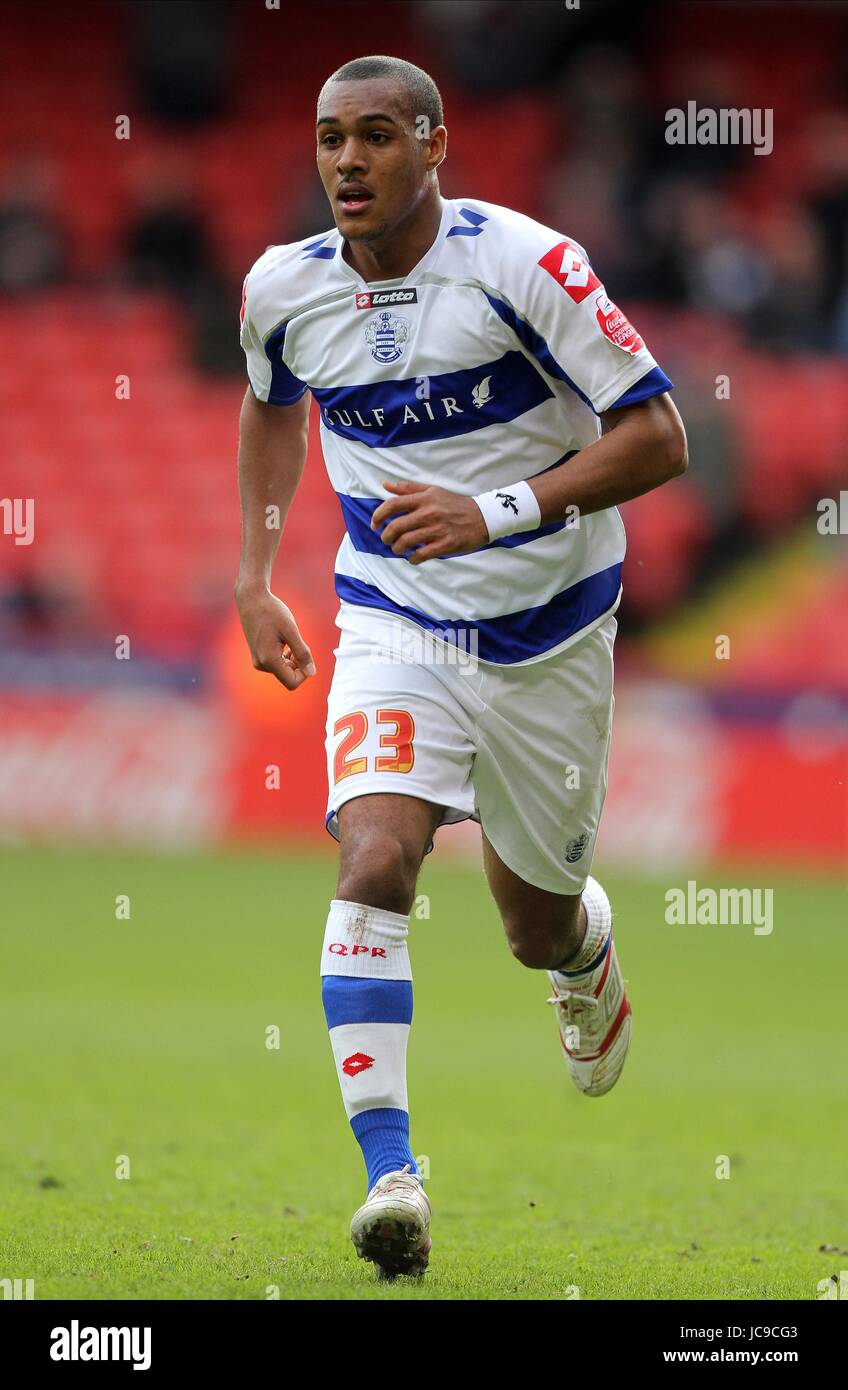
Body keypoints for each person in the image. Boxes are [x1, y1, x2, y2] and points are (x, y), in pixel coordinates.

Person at [235, 55, 687, 1281]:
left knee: (529, 923)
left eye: (376, 136)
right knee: (375, 851)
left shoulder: (525, 266)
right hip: (393, 620)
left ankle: (583, 957)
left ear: (434, 145)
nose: (346, 162)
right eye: (330, 138)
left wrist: (494, 509)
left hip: (550, 631)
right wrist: (255, 572)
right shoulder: (284, 287)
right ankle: (391, 1174)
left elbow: (658, 436)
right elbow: (273, 404)